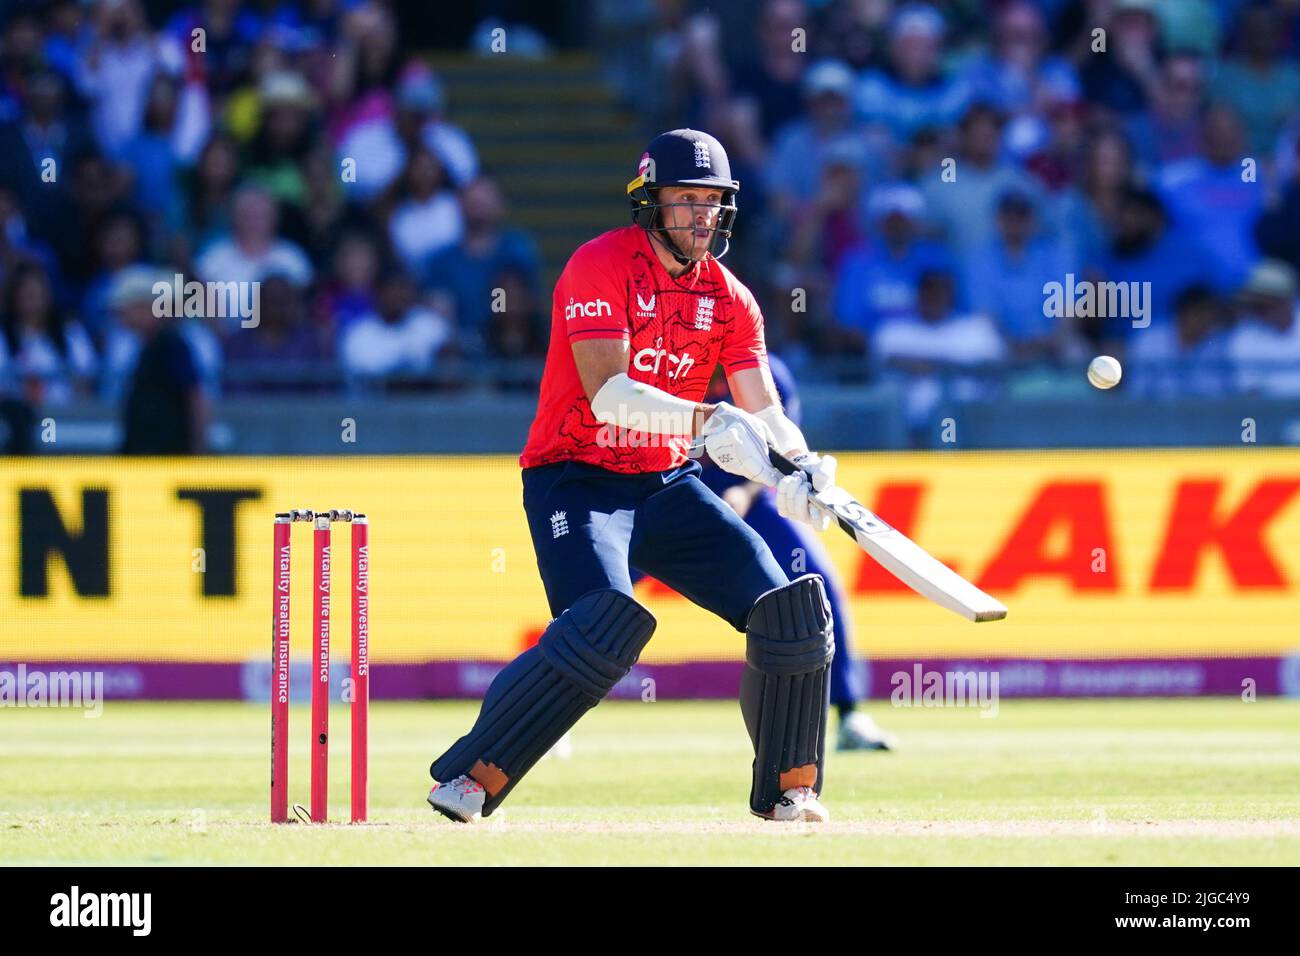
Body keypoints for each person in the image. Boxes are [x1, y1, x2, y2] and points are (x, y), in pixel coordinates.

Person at [428, 129, 843, 824]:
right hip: (575, 478)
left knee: (790, 612)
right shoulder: (599, 265)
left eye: (712, 202)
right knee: (602, 627)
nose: (701, 216)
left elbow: (763, 405)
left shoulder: (733, 299)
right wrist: (710, 422)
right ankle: (470, 777)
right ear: (649, 204)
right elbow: (610, 394)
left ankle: (788, 788)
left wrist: (800, 466)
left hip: (664, 485)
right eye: (685, 201)